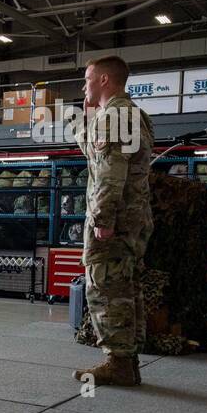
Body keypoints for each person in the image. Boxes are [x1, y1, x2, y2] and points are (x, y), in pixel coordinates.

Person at [74, 55, 154, 386]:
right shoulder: (131, 114)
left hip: (115, 220)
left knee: (106, 288)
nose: (84, 86)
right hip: (132, 219)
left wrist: (102, 219)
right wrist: (87, 118)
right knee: (125, 287)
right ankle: (127, 362)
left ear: (104, 79)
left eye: (88, 79)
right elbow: (96, 154)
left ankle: (118, 362)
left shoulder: (114, 117)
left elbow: (109, 173)